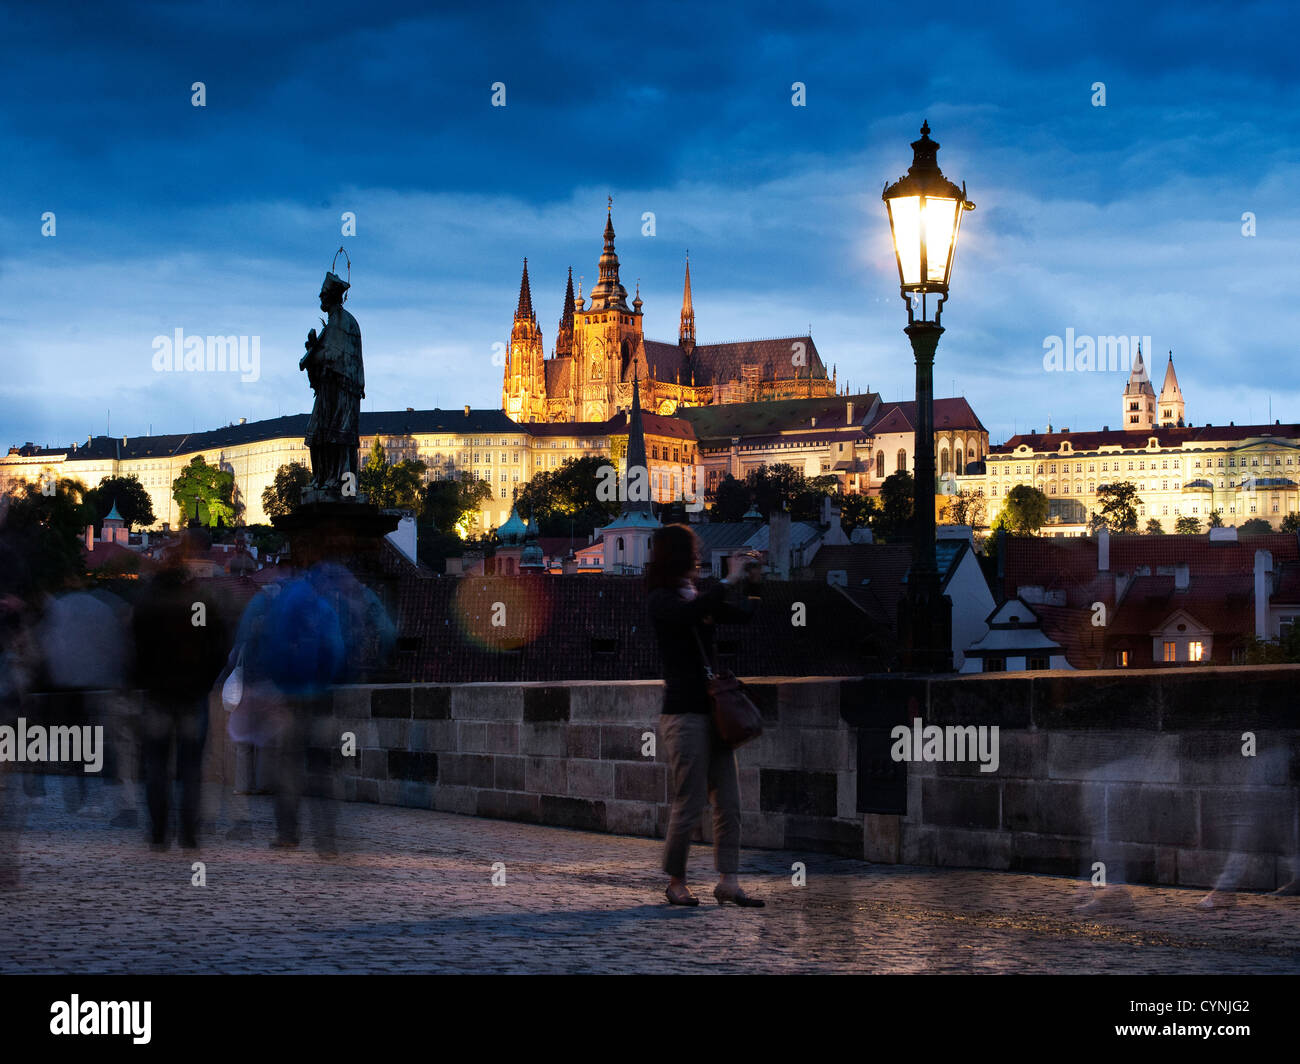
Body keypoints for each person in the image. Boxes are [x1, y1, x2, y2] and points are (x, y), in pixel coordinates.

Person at [646, 524, 764, 907]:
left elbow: (744, 615)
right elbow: (692, 613)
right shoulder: (662, 599)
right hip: (683, 712)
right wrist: (728, 579)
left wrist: (751, 581)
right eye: (694, 550)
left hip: (713, 713)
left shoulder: (696, 595)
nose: (698, 557)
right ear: (679, 556)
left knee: (728, 799)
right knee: (691, 800)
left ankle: (728, 880)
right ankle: (676, 880)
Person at [132, 527, 231, 851]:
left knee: (156, 765)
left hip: (158, 693)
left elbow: (136, 647)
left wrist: (143, 679)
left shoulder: (148, 602)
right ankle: (189, 834)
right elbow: (219, 645)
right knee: (190, 766)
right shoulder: (199, 602)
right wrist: (205, 678)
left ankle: (159, 833)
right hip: (192, 693)